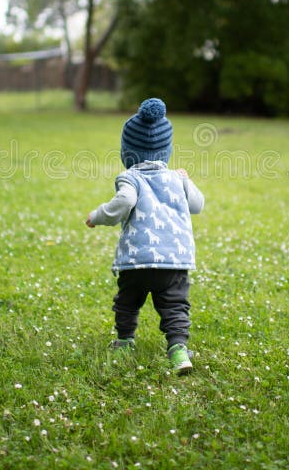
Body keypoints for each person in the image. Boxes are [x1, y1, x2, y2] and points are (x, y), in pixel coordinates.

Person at [85, 98, 204, 375]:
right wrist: (186, 180)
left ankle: (125, 341)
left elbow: (124, 201)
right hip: (173, 261)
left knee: (127, 302)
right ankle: (178, 350)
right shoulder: (176, 178)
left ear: (127, 151)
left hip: (137, 260)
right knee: (175, 307)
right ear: (166, 151)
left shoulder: (130, 176)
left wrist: (98, 215)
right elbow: (197, 205)